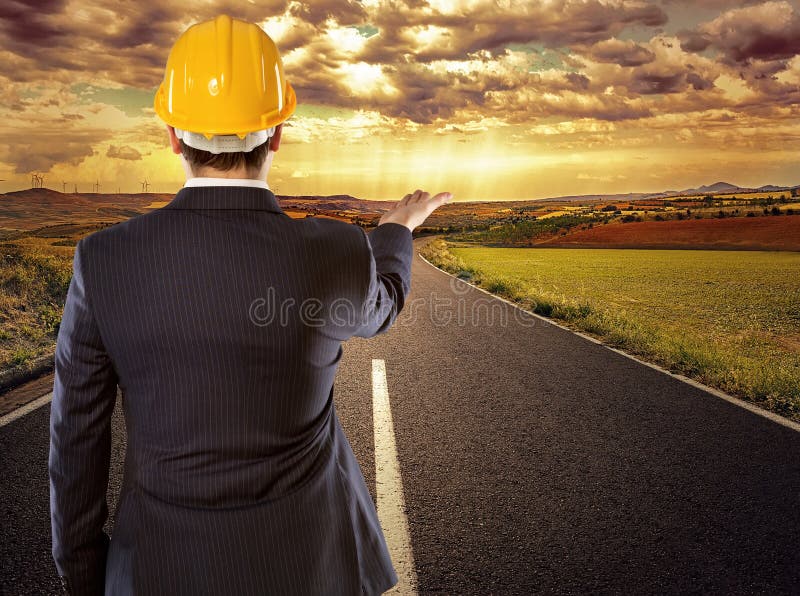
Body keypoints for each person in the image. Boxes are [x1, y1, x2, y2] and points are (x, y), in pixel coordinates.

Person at [48, 14, 452, 596]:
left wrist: (85, 575)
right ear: (278, 133)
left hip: (157, 572)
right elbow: (384, 304)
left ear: (171, 134)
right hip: (312, 571)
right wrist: (394, 232)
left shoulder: (102, 260)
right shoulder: (335, 250)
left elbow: (75, 443)